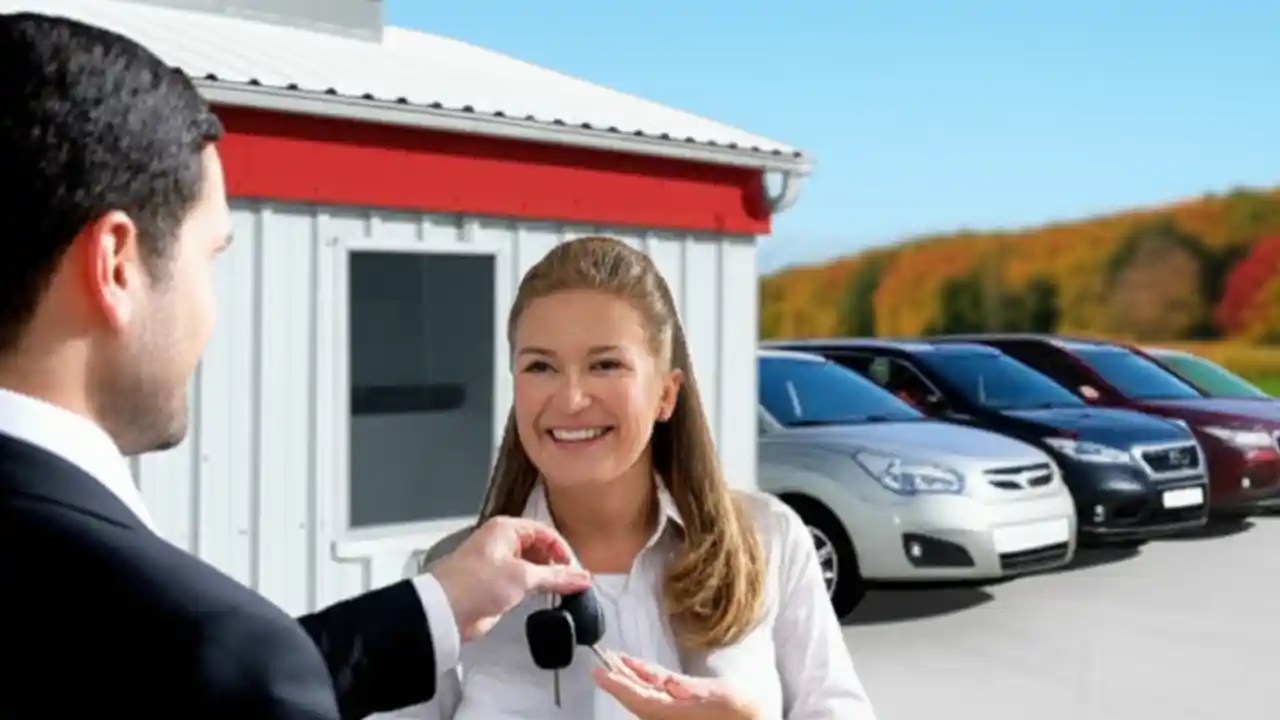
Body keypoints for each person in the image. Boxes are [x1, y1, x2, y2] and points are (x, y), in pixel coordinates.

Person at [0, 12, 591, 718]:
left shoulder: (197, 650)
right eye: (210, 256)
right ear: (117, 264)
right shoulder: (207, 645)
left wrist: (435, 605)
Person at [391, 236, 877, 719]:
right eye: (541, 366)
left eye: (606, 365)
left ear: (667, 395)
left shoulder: (771, 541)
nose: (571, 398)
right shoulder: (452, 578)